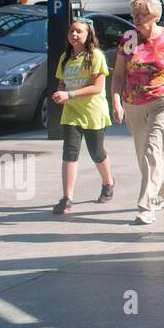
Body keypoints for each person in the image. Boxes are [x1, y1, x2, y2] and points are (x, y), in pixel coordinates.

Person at [112, 0, 164, 226]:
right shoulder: (128, 39)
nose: (136, 18)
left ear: (155, 15)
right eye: (134, 13)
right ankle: (163, 192)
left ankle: (146, 206)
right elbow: (117, 75)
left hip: (163, 101)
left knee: (151, 149)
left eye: (142, 13)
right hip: (133, 104)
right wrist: (116, 102)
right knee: (145, 155)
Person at [50, 18, 115, 215]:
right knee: (69, 152)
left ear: (88, 36)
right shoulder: (65, 57)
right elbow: (62, 82)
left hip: (93, 111)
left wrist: (69, 94)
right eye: (71, 31)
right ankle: (67, 198)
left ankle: (108, 183)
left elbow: (98, 87)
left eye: (79, 31)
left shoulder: (96, 56)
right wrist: (60, 92)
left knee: (97, 152)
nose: (74, 34)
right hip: (71, 112)